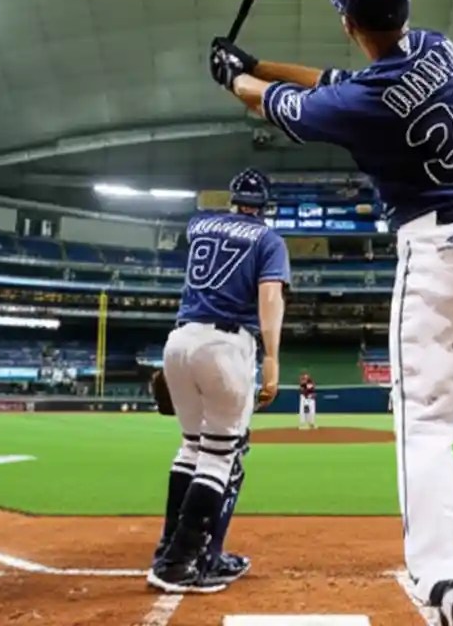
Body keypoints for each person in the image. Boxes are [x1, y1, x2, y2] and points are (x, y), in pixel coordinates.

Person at [208, 0, 453, 626]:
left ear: (346, 19)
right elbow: (329, 79)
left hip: (446, 251)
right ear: (405, 7)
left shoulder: (362, 105)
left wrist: (232, 77)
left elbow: (279, 104)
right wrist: (257, 61)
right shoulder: (438, 49)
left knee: (423, 424)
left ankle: (445, 580)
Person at [148, 168, 290, 594]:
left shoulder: (199, 224)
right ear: (265, 206)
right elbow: (269, 296)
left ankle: (167, 548)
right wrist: (272, 359)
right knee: (218, 456)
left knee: (191, 447)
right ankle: (179, 562)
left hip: (179, 339)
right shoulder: (268, 239)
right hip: (225, 345)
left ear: (232, 199)